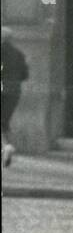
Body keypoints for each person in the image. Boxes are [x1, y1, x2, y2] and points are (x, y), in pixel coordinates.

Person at [1, 25, 28, 166]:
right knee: (4, 121)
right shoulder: (19, 54)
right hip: (14, 92)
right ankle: (8, 146)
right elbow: (25, 75)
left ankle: (6, 147)